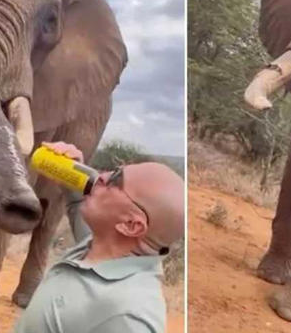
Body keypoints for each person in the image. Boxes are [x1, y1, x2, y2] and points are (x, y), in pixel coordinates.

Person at [13, 142, 184, 333]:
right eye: (115, 170)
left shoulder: (129, 316)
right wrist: (73, 172)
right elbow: (77, 203)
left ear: (131, 225)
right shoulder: (101, 247)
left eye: (116, 181)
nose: (101, 175)